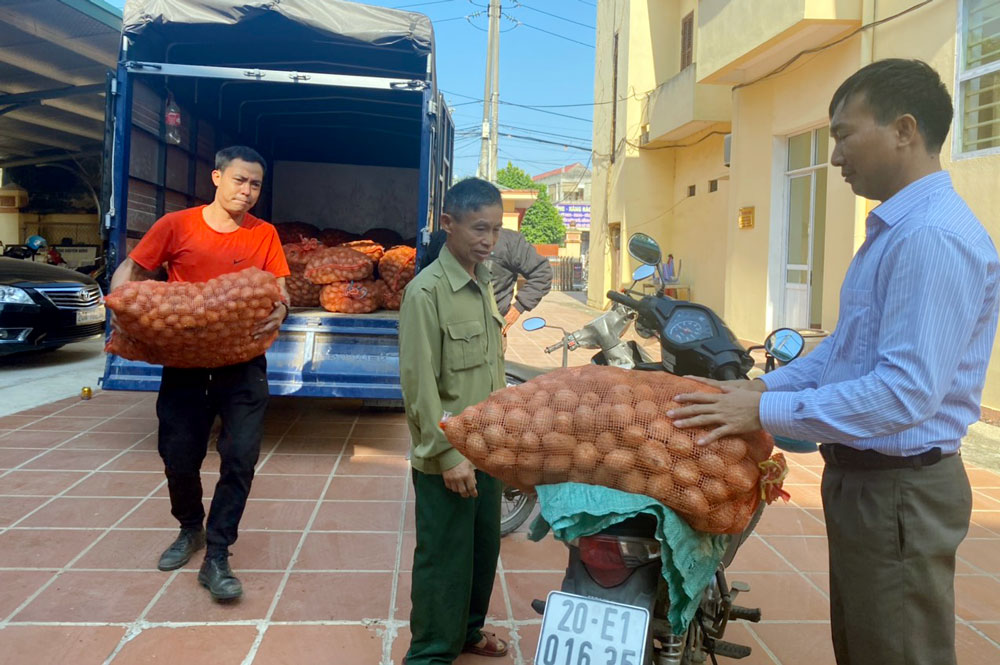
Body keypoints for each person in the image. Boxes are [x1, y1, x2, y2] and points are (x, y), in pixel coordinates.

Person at [668, 59, 1000, 665]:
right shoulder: (892, 231)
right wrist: (759, 386)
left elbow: (904, 395)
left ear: (904, 129)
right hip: (867, 483)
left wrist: (765, 407)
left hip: (901, 492)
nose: (835, 155)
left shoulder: (930, 237)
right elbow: (842, 356)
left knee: (896, 650)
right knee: (867, 644)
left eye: (845, 134)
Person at [109, 145, 290, 602]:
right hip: (186, 363)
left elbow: (279, 286)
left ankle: (218, 553)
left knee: (241, 457)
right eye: (239, 180)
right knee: (178, 455)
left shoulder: (263, 234)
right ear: (216, 177)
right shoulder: (177, 225)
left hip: (243, 364)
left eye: (255, 185)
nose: (247, 192)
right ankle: (190, 527)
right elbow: (135, 266)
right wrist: (120, 303)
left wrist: (282, 308)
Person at [399, 178, 510, 663]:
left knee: (482, 553)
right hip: (448, 455)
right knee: (443, 560)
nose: (489, 240)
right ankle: (428, 653)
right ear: (449, 224)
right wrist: (447, 454)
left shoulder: (483, 281)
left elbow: (491, 371)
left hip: (487, 450)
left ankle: (467, 631)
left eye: (496, 230)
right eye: (479, 228)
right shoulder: (426, 293)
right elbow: (419, 386)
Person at [419, 223, 552, 334]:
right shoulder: (442, 238)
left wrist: (518, 308)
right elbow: (424, 280)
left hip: (489, 331)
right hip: (444, 328)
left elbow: (542, 272)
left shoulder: (508, 241)